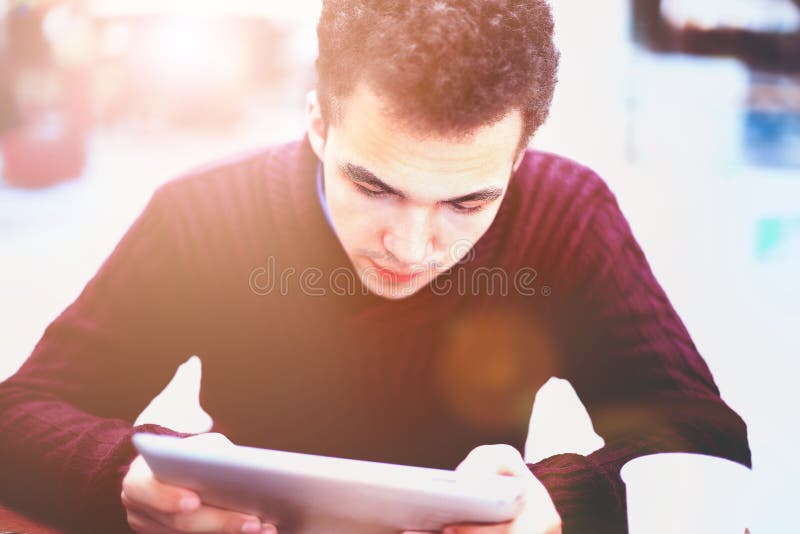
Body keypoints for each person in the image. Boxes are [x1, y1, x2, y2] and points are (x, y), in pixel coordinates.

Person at [0, 1, 750, 533]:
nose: (412, 247)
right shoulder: (203, 215)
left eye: (468, 202)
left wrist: (559, 503)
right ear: (318, 124)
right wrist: (121, 475)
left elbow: (703, 440)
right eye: (374, 186)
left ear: (519, 157)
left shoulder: (566, 214)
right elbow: (18, 414)